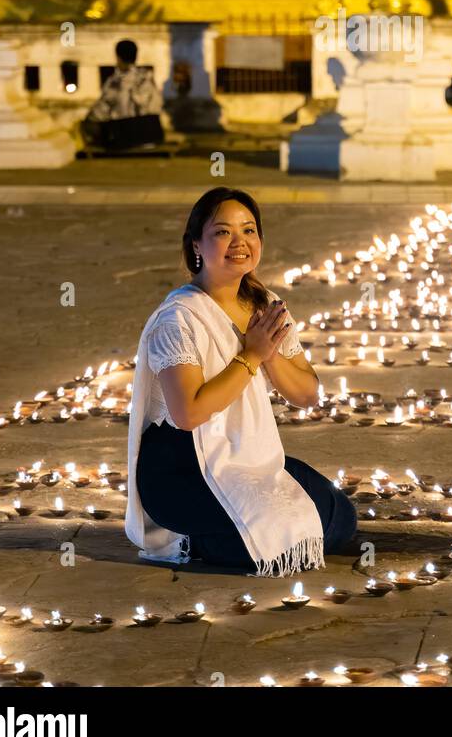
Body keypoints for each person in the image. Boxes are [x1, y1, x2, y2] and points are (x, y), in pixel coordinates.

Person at [125, 186, 358, 574]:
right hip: (181, 468)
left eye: (249, 230)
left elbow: (307, 394)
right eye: (222, 232)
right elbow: (188, 413)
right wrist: (250, 355)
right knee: (275, 543)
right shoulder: (179, 317)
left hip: (244, 453)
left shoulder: (263, 303)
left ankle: (232, 533)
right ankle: (189, 539)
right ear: (197, 244)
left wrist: (267, 352)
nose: (240, 242)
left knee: (339, 516)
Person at [80, 38, 163, 152]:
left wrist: (88, 120)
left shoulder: (116, 82)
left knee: (89, 124)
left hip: (124, 137)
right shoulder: (147, 78)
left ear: (118, 57)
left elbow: (100, 110)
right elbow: (157, 105)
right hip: (150, 136)